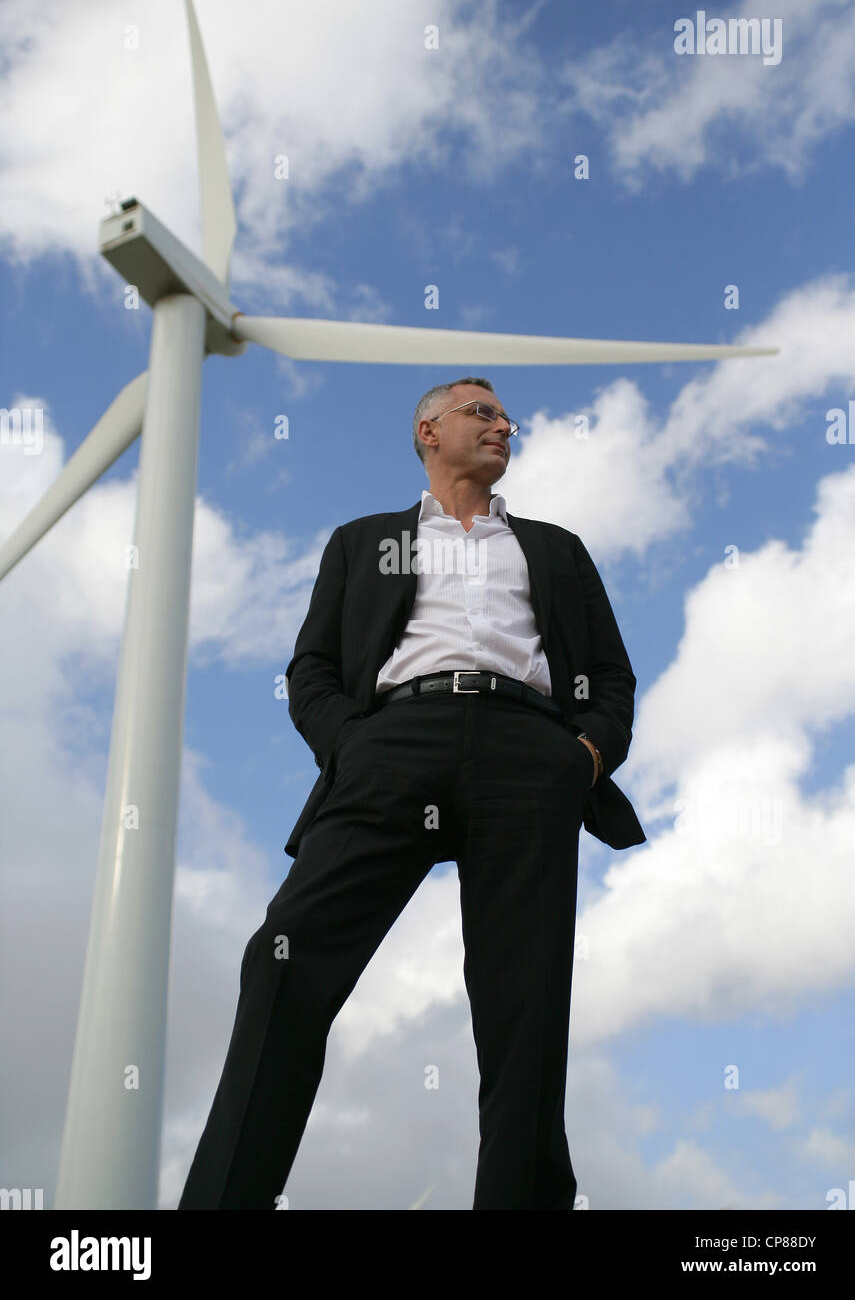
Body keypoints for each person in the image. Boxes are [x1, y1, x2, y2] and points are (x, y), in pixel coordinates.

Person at [178, 376, 646, 1211]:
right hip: (392, 743)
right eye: (483, 412)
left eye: (506, 417)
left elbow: (611, 674)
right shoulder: (364, 541)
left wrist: (582, 754)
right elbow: (311, 667)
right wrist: (350, 747)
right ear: (429, 431)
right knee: (285, 957)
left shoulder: (557, 547)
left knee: (525, 1001)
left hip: (529, 750)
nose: (505, 425)